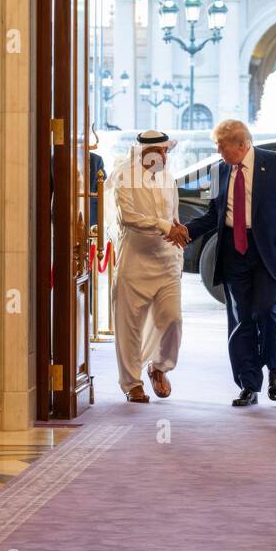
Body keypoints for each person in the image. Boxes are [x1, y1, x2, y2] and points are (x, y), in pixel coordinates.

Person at [175, 119, 276, 406]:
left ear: (241, 144)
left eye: (221, 146)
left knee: (267, 310)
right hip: (234, 250)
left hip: (268, 251)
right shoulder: (220, 171)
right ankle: (248, 384)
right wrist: (186, 231)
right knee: (240, 316)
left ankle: (275, 369)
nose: (218, 151)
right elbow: (213, 214)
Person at [109, 129, 184, 403]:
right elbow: (128, 217)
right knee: (129, 325)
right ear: (143, 153)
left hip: (166, 261)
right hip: (135, 261)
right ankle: (132, 384)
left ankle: (159, 366)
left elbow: (173, 217)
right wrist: (164, 226)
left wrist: (177, 237)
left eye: (166, 151)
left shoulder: (168, 177)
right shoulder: (124, 177)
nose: (164, 156)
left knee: (173, 319)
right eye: (159, 151)